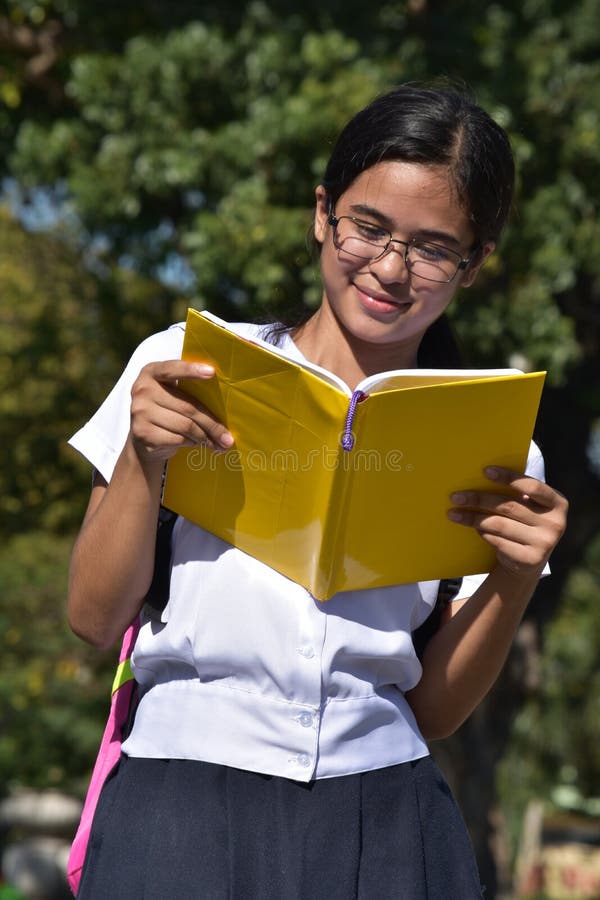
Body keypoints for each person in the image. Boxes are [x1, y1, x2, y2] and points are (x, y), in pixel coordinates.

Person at [67, 84, 567, 899]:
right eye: (367, 228)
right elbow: (92, 617)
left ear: (474, 264)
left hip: (387, 813)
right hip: (180, 801)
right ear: (321, 213)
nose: (392, 268)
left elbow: (436, 711)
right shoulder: (185, 366)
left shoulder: (498, 447)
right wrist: (143, 459)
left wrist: (513, 580)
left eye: (436, 247)